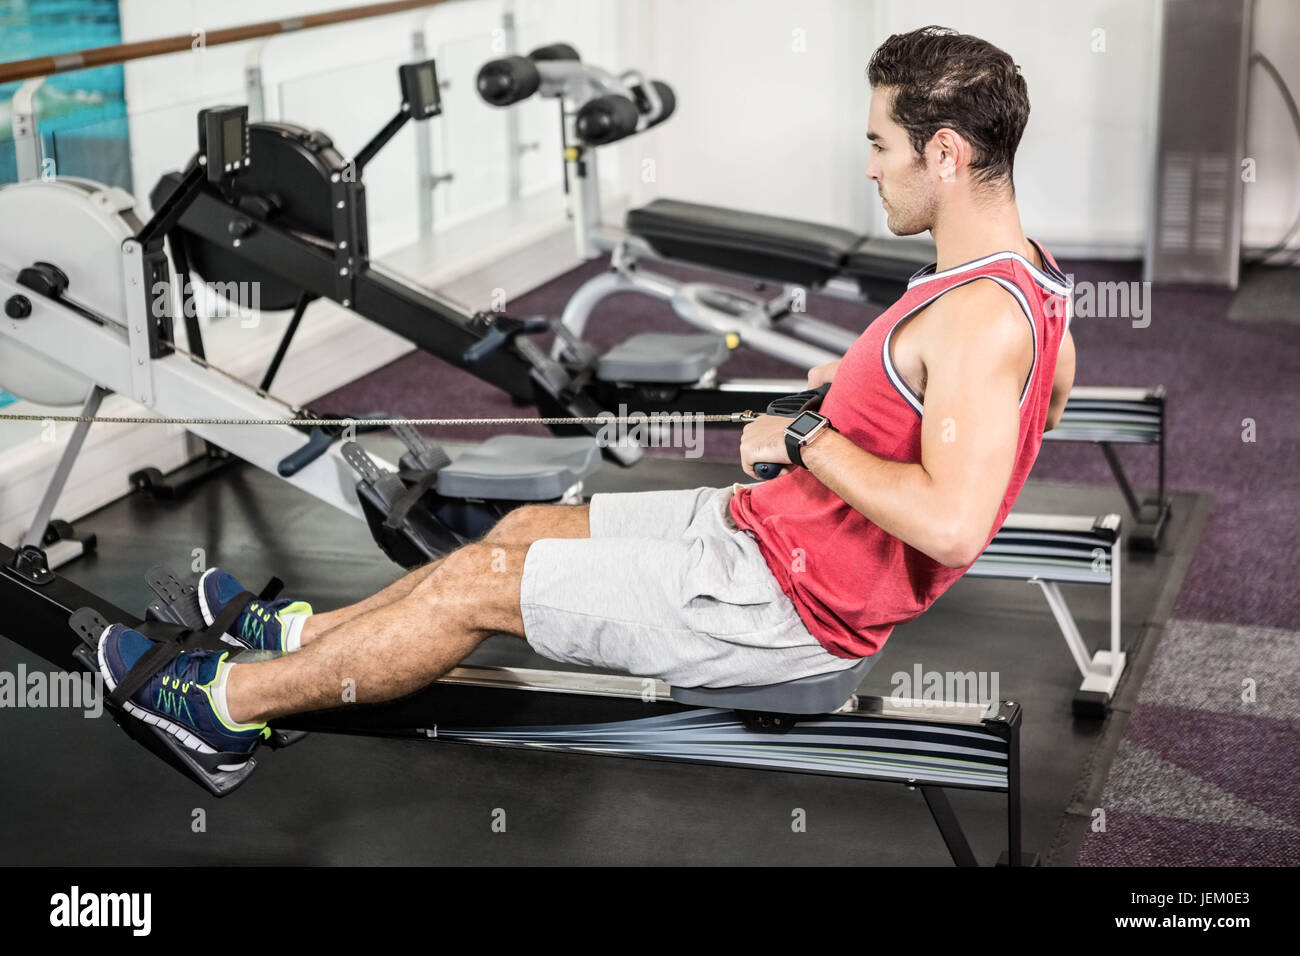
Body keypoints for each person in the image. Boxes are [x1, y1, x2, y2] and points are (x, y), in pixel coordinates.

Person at [98, 25, 1077, 759]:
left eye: (881, 145)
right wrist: (860, 397)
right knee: (521, 530)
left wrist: (810, 439)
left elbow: (955, 527)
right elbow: (1028, 414)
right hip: (766, 534)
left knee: (478, 588)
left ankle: (225, 708)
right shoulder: (1027, 279)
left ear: (944, 154)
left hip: (783, 604)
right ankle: (303, 636)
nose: (868, 167)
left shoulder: (978, 316)